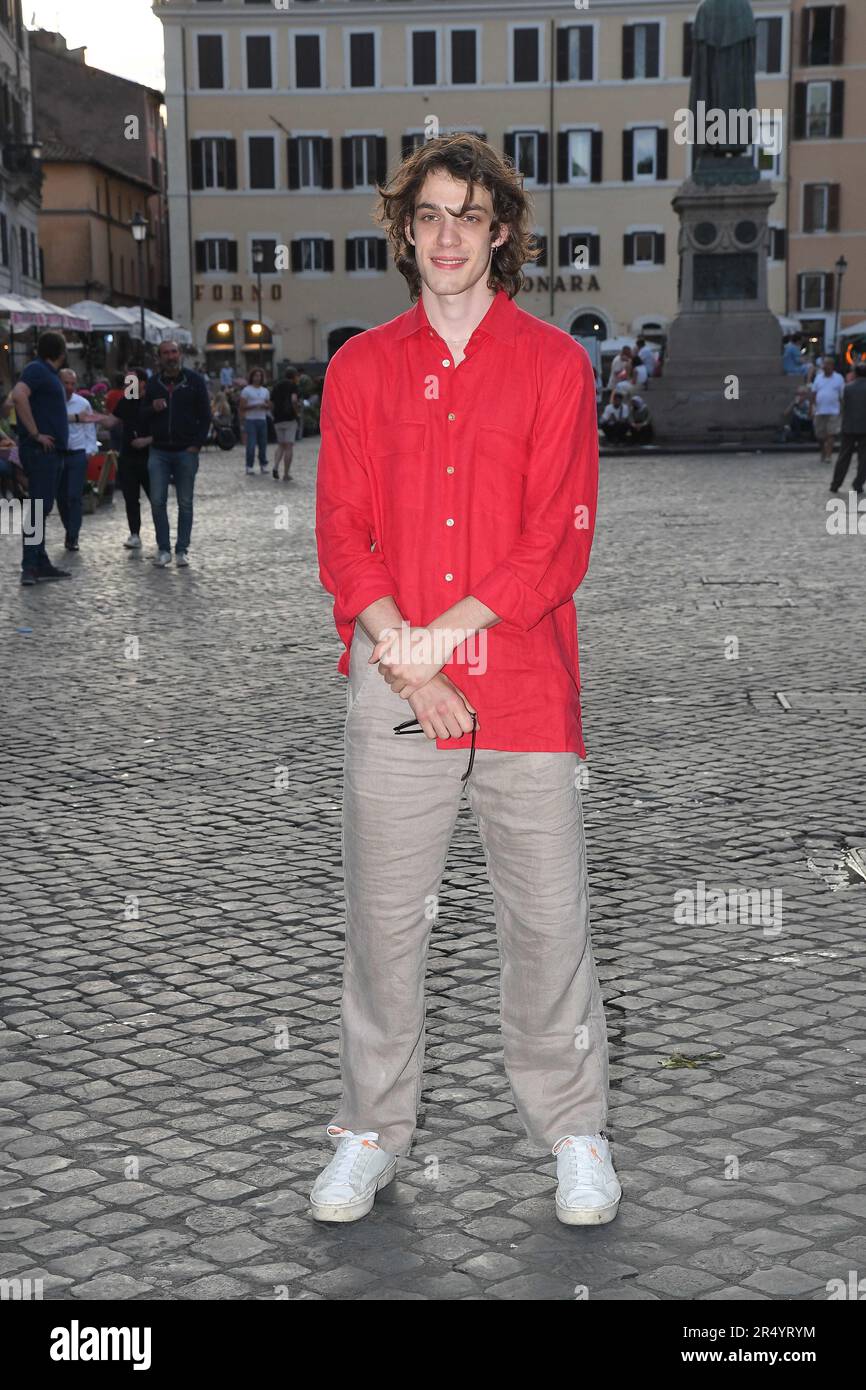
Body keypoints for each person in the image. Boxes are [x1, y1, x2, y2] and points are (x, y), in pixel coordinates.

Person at [313, 132, 619, 1228]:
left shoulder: (551, 366)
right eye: (428, 215)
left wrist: (438, 647)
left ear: (501, 235)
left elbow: (558, 539)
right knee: (384, 928)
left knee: (547, 927)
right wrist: (410, 661)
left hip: (522, 683)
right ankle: (367, 1134)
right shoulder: (357, 368)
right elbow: (343, 536)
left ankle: (574, 1133)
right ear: (405, 230)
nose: (447, 236)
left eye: (468, 218)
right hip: (394, 682)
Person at [10, 330, 72, 585]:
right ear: (61, 352)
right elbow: (18, 395)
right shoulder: (37, 370)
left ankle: (41, 560)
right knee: (37, 509)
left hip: (50, 452)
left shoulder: (46, 373)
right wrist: (35, 434)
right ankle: (30, 565)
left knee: (42, 508)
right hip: (41, 451)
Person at [140, 340, 210, 567]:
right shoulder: (152, 384)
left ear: (179, 354)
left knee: (185, 502)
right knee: (157, 501)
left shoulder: (194, 381)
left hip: (185, 451)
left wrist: (197, 444)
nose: (170, 356)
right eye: (165, 353)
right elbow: (138, 413)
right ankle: (163, 549)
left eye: (173, 352)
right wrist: (153, 408)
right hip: (159, 451)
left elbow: (206, 415)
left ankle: (182, 549)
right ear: (159, 357)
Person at [98, 369, 153, 549]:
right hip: (128, 456)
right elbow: (110, 422)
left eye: (133, 380)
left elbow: (163, 429)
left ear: (143, 382)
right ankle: (134, 534)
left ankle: (162, 535)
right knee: (131, 498)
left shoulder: (152, 399)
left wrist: (147, 440)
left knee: (156, 498)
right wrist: (89, 415)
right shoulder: (126, 400)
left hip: (150, 457)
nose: (128, 384)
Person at [57, 368, 99, 552]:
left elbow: (90, 428)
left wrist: (90, 451)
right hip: (58, 454)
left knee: (74, 496)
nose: (69, 387)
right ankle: (69, 528)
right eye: (66, 383)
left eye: (73, 383)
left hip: (77, 453)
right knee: (61, 497)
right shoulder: (52, 403)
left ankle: (73, 535)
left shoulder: (82, 403)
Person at [829, 363, 866, 495]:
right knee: (864, 459)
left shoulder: (848, 388)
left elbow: (844, 406)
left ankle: (835, 484)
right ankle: (858, 483)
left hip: (849, 426)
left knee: (844, 457)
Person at [810, 355, 845, 465]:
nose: (825, 366)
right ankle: (823, 451)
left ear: (832, 366)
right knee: (820, 435)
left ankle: (828, 455)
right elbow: (814, 393)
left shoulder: (838, 378)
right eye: (824, 364)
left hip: (833, 410)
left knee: (831, 434)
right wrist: (811, 408)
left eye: (828, 364)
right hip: (820, 410)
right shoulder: (818, 378)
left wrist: (843, 410)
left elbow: (842, 396)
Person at [239, 367, 270, 474]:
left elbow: (268, 405)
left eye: (259, 376)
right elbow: (242, 406)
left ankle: (263, 464)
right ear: (252, 377)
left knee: (263, 444)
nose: (258, 378)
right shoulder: (246, 390)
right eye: (255, 375)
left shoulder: (265, 391)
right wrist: (255, 405)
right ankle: (249, 465)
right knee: (251, 445)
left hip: (262, 419)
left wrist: (265, 406)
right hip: (250, 420)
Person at [270, 368, 300, 480]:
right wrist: (297, 412)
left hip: (278, 419)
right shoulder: (293, 386)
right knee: (288, 446)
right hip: (289, 419)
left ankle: (275, 466)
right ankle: (286, 474)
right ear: (294, 376)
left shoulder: (276, 386)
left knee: (280, 445)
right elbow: (294, 400)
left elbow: (271, 402)